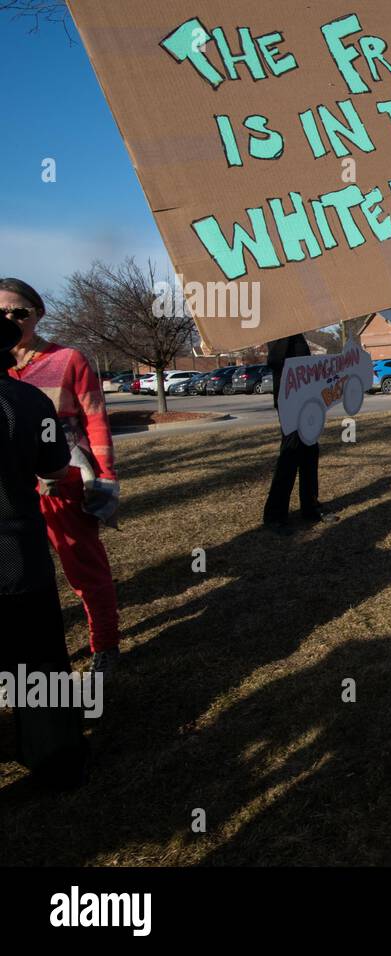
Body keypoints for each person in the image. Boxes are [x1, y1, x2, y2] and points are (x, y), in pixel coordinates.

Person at [4, 278, 122, 674]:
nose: (10, 319)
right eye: (1, 312)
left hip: (65, 480)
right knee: (17, 577)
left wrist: (104, 479)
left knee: (84, 568)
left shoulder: (69, 359)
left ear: (38, 313)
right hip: (11, 489)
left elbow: (96, 420)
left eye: (19, 311)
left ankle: (104, 645)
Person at [0, 314, 88, 788]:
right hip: (19, 557)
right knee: (36, 663)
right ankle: (55, 756)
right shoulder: (30, 401)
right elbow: (55, 466)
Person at [262, 333, 338, 533]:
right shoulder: (281, 329)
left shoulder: (297, 332)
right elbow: (275, 361)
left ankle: (310, 506)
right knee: (291, 453)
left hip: (305, 399)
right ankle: (274, 515)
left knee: (310, 451)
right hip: (290, 400)